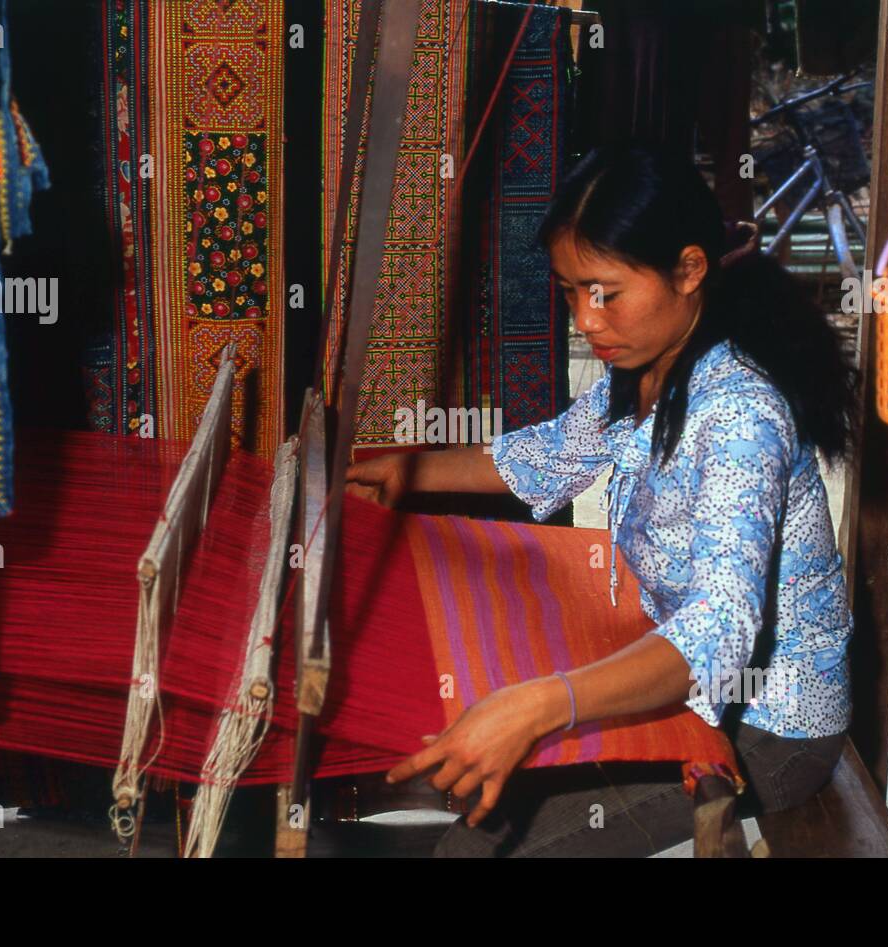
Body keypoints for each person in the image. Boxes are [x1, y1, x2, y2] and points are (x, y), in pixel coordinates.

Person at [345, 147, 860, 857]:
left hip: (766, 724)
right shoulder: (650, 364)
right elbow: (552, 449)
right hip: (675, 662)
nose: (586, 320)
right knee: (467, 766)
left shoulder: (741, 414)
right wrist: (407, 471)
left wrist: (539, 705)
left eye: (605, 291)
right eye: (569, 291)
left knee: (477, 849)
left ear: (688, 270)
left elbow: (719, 628)